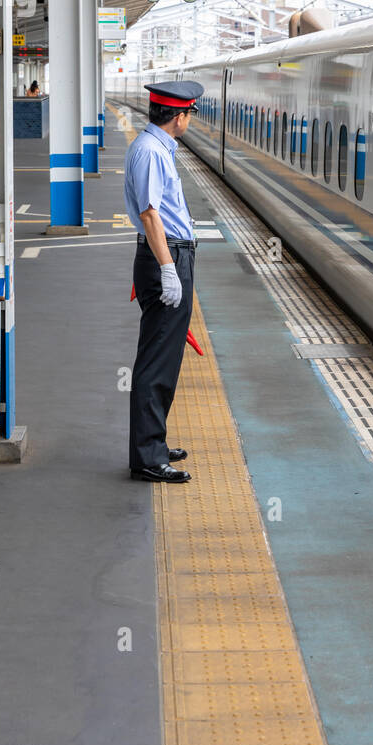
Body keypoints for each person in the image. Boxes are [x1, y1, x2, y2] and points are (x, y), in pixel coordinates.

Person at [123, 80, 203, 483]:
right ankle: (147, 457)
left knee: (164, 354)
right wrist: (169, 268)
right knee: (157, 359)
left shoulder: (154, 148)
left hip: (166, 255)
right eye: (190, 113)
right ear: (180, 115)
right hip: (164, 257)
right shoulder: (153, 152)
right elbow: (151, 214)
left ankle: (152, 441)